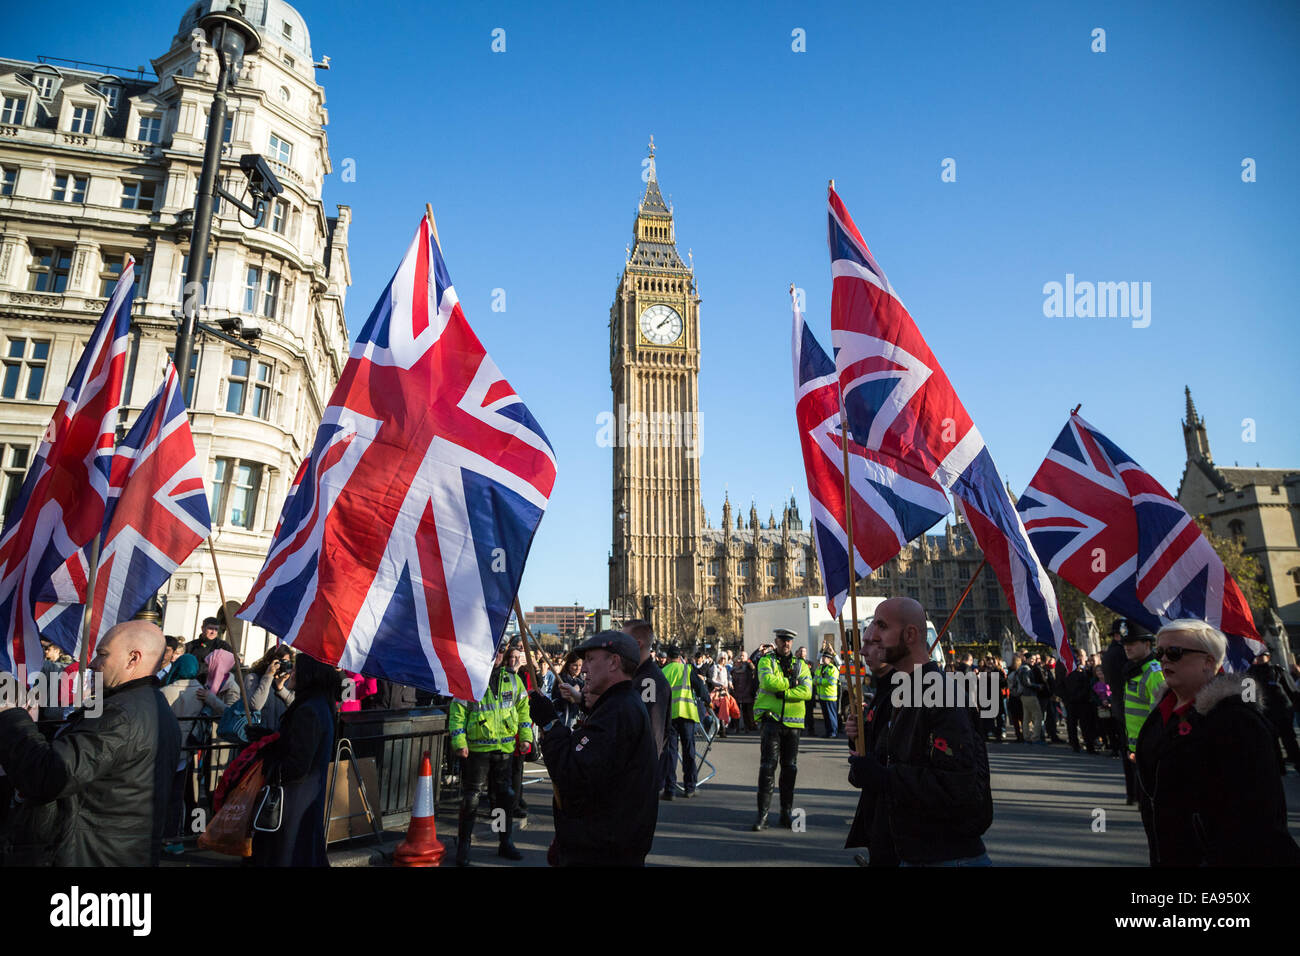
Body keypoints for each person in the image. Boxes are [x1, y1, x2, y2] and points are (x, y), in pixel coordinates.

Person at [0, 621, 180, 866]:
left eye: (102, 654)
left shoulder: (120, 715)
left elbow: (49, 775)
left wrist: (11, 715)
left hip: (89, 857)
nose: (93, 663)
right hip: (113, 851)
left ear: (133, 659)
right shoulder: (152, 707)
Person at [1135, 620, 1300, 866]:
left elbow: (1258, 820)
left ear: (1209, 662)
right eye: (1159, 652)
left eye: (1175, 652)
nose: (1164, 660)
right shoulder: (1160, 713)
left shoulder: (1237, 720)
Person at [844, 597, 993, 866]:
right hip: (909, 851)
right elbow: (892, 761)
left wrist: (884, 778)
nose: (873, 636)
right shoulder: (904, 691)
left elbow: (957, 785)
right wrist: (861, 747)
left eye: (882, 626)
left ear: (910, 634)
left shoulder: (942, 694)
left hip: (945, 856)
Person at [528, 630, 658, 866]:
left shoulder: (619, 710)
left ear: (614, 662)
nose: (584, 668)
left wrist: (551, 723)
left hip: (602, 852)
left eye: (590, 659)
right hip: (603, 845)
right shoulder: (619, 705)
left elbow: (572, 774)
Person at [448, 640, 532, 865]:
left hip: (504, 748)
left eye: (500, 651)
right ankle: (464, 846)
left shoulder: (513, 680)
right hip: (477, 749)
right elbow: (457, 712)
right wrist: (459, 741)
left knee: (504, 798)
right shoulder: (470, 680)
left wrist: (526, 738)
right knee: (471, 798)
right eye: (493, 651)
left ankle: (504, 841)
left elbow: (523, 710)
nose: (497, 655)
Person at [252, 653, 340, 867]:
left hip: (293, 802)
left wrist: (269, 764)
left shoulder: (309, 709)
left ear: (308, 674)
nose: (291, 673)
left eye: (296, 670)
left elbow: (297, 764)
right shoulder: (319, 704)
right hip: (305, 799)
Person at [751, 627, 813, 830]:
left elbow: (807, 691)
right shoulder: (766, 660)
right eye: (782, 640)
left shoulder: (801, 665)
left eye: (789, 641)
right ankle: (763, 816)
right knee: (767, 767)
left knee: (790, 769)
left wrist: (784, 693)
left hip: (793, 723)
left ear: (792, 643)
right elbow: (767, 682)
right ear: (776, 641)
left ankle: (786, 813)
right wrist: (791, 683)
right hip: (772, 720)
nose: (786, 643)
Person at [844, 639, 898, 866]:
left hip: (895, 820)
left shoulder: (904, 691)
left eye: (873, 642)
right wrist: (858, 736)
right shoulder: (882, 687)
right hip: (877, 812)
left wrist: (869, 766)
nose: (862, 651)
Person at [160, 653, 204, 854]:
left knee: (159, 794)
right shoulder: (202, 692)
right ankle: (173, 837)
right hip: (187, 749)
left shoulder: (165, 691)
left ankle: (158, 835)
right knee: (177, 796)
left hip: (165, 746)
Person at [1121, 623, 1163, 804]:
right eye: (1125, 643)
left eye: (1133, 642)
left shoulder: (1154, 672)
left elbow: (1159, 714)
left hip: (1150, 746)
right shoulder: (1134, 669)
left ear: (1147, 644)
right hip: (1136, 745)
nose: (1127, 647)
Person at [661, 645, 705, 799]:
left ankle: (670, 790)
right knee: (689, 752)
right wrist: (708, 701)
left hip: (669, 717)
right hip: (687, 714)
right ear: (680, 656)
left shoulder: (663, 672)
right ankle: (690, 787)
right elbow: (701, 689)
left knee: (671, 753)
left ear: (667, 657)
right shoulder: (687, 669)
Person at [1246, 650, 1300, 773]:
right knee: (1271, 741)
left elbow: (1291, 689)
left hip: (1282, 711)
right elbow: (1246, 697)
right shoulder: (1249, 674)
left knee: (1289, 739)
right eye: (1257, 656)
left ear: (1268, 657)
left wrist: (1295, 705)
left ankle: (1297, 762)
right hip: (1264, 712)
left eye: (1262, 656)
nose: (1259, 658)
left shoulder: (1277, 671)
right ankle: (1279, 768)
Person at [624, 619, 670, 762]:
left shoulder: (649, 680)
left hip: (641, 771)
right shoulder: (636, 674)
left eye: (624, 640)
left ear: (638, 644)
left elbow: (652, 732)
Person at [245, 646, 295, 732]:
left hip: (282, 734)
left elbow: (295, 705)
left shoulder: (288, 680)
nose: (284, 666)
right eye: (281, 662)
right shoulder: (253, 678)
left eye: (287, 662)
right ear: (270, 662)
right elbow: (256, 705)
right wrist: (268, 676)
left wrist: (281, 688)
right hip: (259, 735)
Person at [551, 654, 585, 729]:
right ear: (568, 665)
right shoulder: (562, 679)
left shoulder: (581, 680)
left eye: (580, 665)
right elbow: (565, 697)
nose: (578, 668)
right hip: (563, 715)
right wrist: (574, 690)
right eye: (575, 665)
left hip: (576, 716)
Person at [814, 650, 841, 738]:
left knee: (831, 716)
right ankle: (828, 732)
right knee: (826, 717)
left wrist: (819, 681)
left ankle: (833, 732)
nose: (824, 658)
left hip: (830, 696)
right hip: (822, 696)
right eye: (823, 657)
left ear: (830, 659)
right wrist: (817, 681)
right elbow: (815, 678)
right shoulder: (820, 668)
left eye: (826, 657)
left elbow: (831, 681)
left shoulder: (832, 669)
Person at [731, 651, 757, 732]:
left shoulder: (748, 667)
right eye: (740, 655)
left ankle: (748, 727)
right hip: (737, 692)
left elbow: (753, 668)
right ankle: (736, 727)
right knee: (736, 710)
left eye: (743, 656)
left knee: (747, 711)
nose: (741, 657)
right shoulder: (734, 669)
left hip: (747, 691)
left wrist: (748, 661)